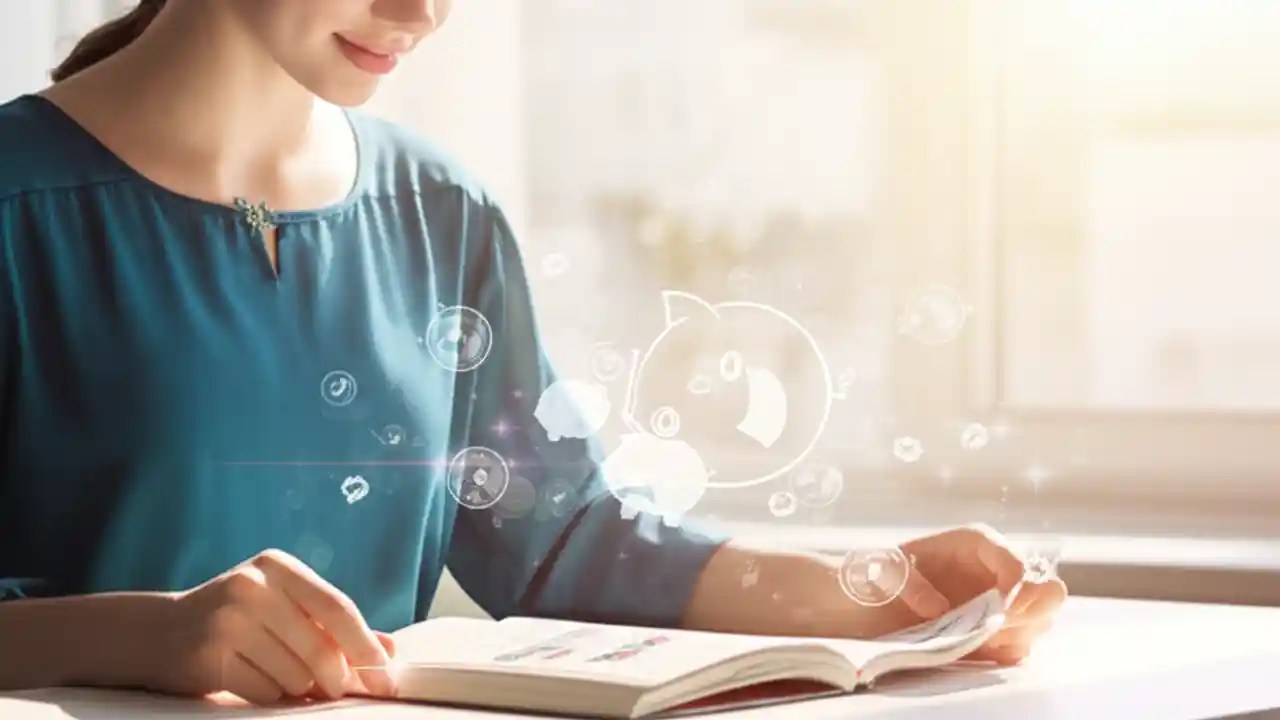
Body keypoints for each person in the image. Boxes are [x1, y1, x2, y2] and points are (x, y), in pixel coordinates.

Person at [0, 0, 1067, 706]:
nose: (423, 13)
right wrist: (150, 640)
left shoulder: (440, 210)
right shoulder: (14, 205)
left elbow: (566, 545)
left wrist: (881, 590)